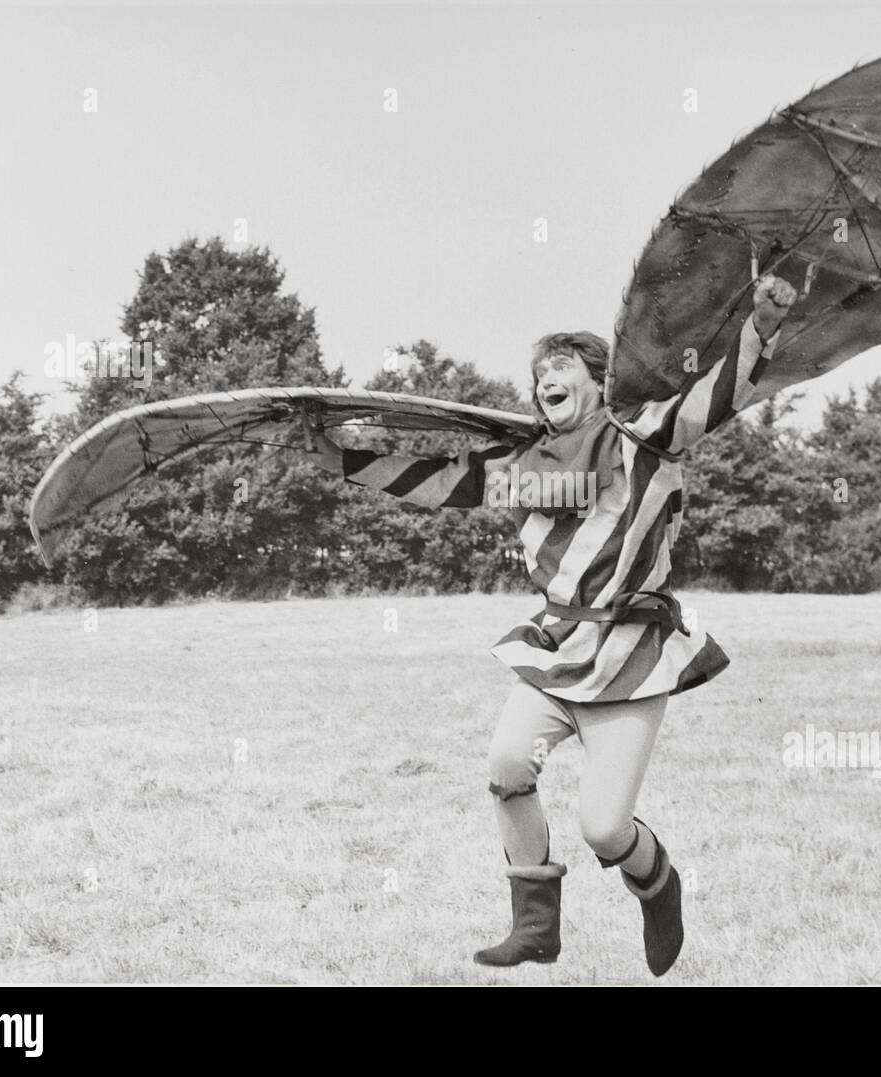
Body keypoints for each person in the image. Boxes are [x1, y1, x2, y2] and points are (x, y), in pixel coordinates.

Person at [310, 275, 798, 976]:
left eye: (563, 368)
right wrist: (343, 460)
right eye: (539, 374)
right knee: (508, 767)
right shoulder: (519, 465)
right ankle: (535, 927)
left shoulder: (647, 435)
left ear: (601, 382)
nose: (546, 380)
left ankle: (658, 886)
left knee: (603, 825)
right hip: (555, 645)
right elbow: (433, 478)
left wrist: (761, 323)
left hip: (631, 652)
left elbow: (721, 395)